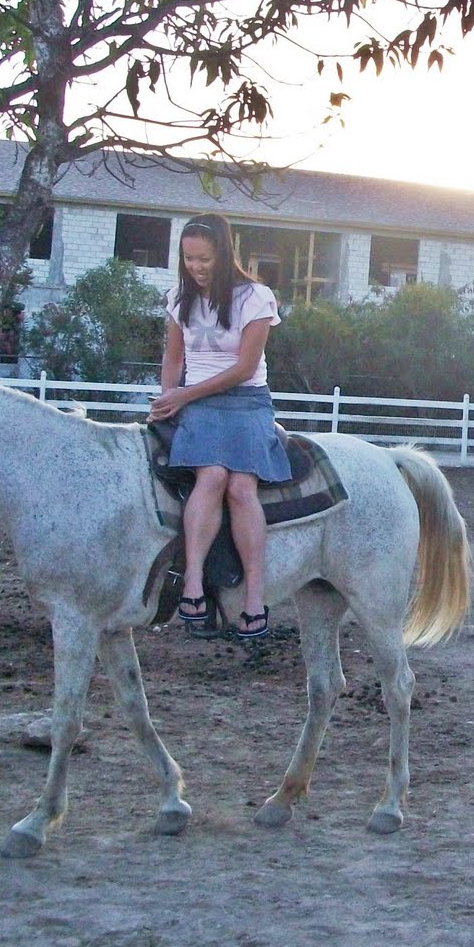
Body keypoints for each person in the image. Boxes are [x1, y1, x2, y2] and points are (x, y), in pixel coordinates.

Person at [148, 213, 290, 639]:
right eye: (189, 258)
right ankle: (192, 582)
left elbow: (246, 368)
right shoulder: (178, 298)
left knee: (241, 487)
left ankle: (254, 597)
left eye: (204, 258)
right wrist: (167, 398)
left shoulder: (256, 297)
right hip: (198, 401)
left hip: (246, 401)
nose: (196, 266)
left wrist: (184, 395)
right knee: (209, 476)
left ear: (224, 254)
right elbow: (174, 358)